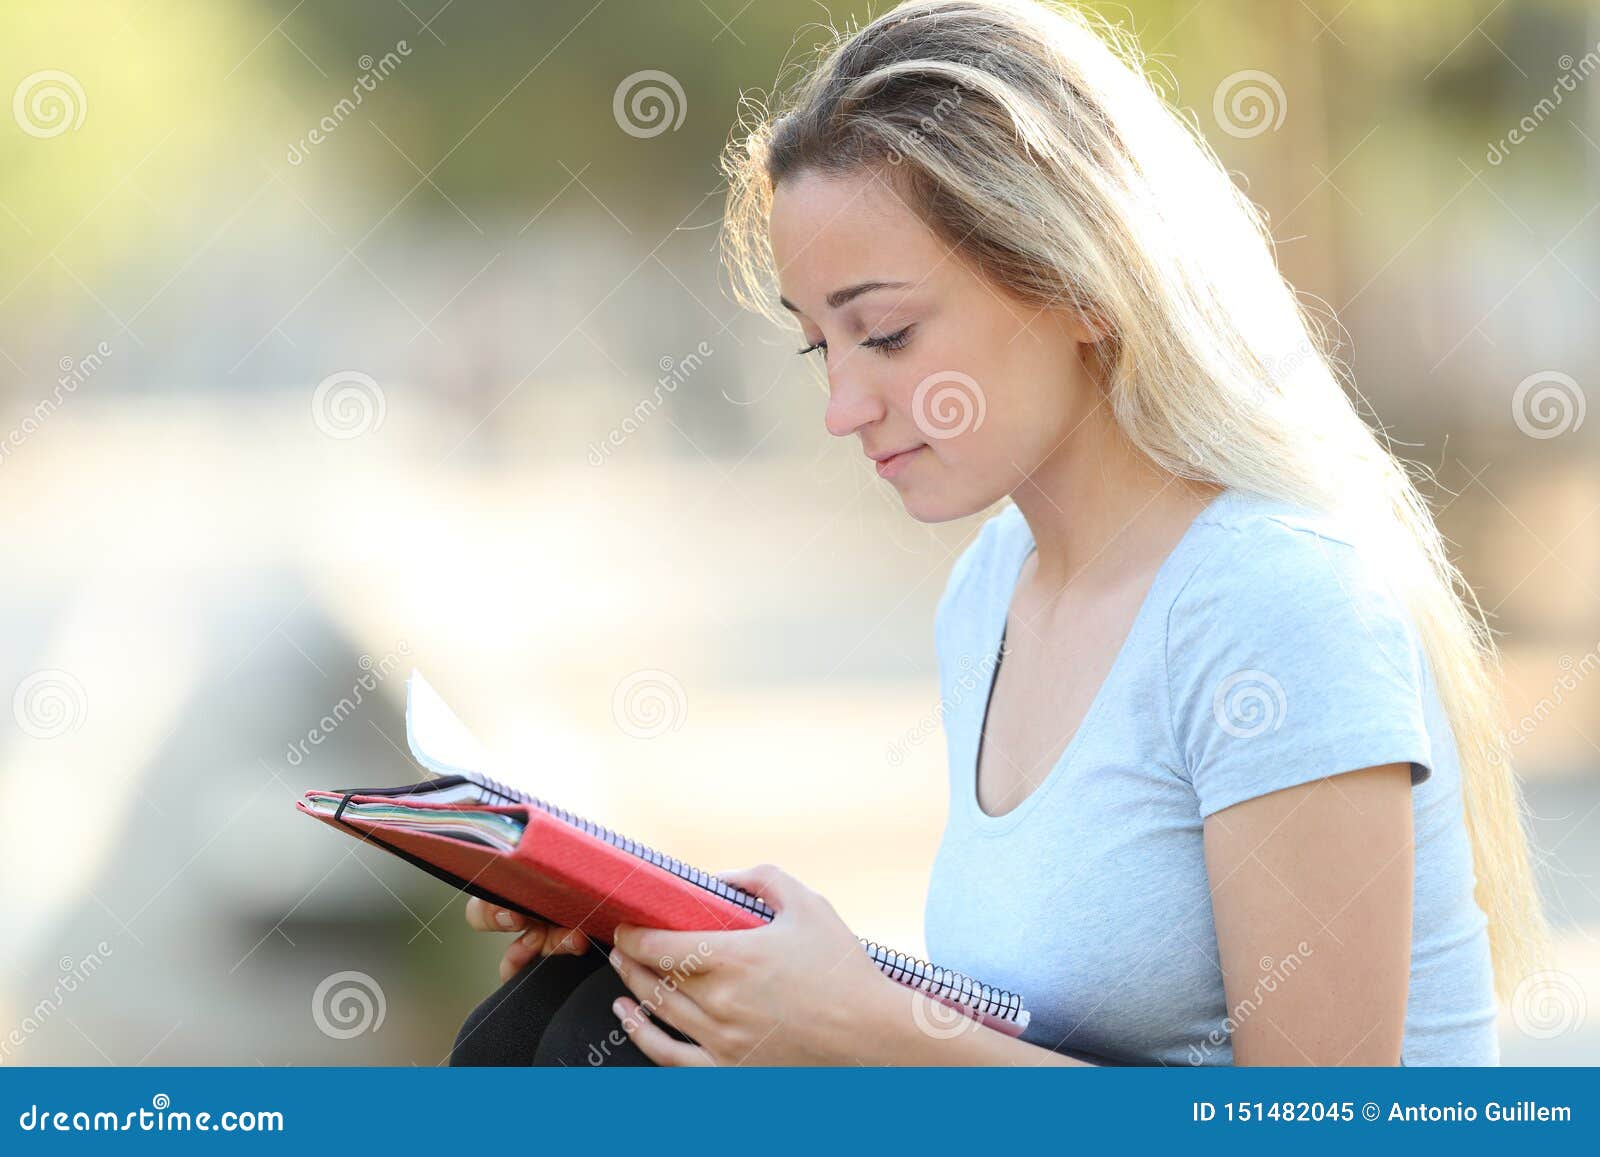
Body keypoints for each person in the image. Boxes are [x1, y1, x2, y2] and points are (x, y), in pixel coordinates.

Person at [451, 0, 1548, 1067]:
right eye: (818, 347)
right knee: (566, 1021)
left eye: (884, 332)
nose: (843, 405)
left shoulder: (1273, 600)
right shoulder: (994, 589)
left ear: (1075, 281)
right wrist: (743, 958)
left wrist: (863, 1033)